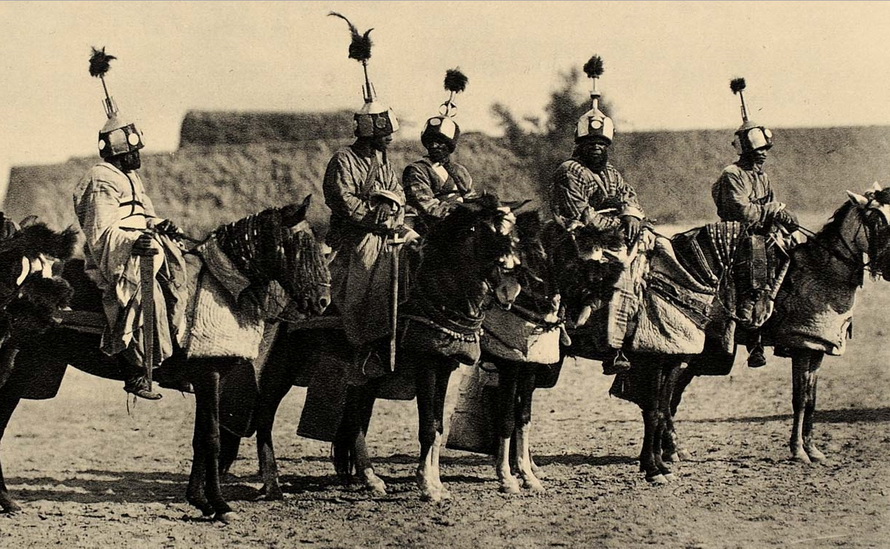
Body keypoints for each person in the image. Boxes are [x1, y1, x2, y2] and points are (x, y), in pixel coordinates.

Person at [73, 48, 188, 400]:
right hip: (118, 256)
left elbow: (144, 214)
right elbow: (101, 230)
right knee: (145, 292)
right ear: (122, 151)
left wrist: (161, 226)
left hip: (147, 246)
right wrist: (131, 244)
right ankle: (138, 370)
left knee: (181, 282)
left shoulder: (130, 177)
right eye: (134, 151)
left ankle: (177, 362)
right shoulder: (101, 178)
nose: (139, 156)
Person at [325, 14, 417, 372]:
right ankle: (363, 341)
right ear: (369, 132)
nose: (391, 138)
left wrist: (393, 214)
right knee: (367, 270)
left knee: (418, 254)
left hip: (387, 231)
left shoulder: (384, 160)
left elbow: (397, 193)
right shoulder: (342, 159)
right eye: (386, 133)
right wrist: (376, 218)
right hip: (355, 237)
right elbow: (343, 200)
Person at [549, 55, 646, 375]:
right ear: (580, 144)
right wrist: (618, 222)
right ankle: (607, 341)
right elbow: (581, 213)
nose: (597, 149)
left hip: (612, 232)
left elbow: (629, 197)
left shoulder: (612, 173)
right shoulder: (570, 170)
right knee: (611, 268)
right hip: (577, 233)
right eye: (591, 143)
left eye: (602, 143)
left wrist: (632, 215)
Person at [711, 77, 798, 368]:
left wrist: (785, 221)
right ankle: (753, 337)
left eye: (764, 150)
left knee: (796, 253)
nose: (762, 155)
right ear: (744, 151)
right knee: (756, 261)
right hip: (738, 236)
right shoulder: (732, 174)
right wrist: (774, 210)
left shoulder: (762, 176)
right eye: (757, 151)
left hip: (763, 234)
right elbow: (742, 211)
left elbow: (772, 207)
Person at [403, 69, 474, 236]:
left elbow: (471, 198)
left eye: (441, 142)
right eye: (431, 142)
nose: (435, 146)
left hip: (461, 225)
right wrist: (458, 214)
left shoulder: (460, 171)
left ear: (449, 146)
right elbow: (426, 204)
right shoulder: (417, 170)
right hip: (430, 227)